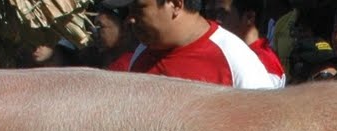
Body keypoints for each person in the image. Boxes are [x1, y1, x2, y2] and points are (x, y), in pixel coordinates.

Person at [106, 0, 276, 86]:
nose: (130, 20)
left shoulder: (237, 61)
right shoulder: (141, 54)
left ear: (175, 4)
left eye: (138, 9)